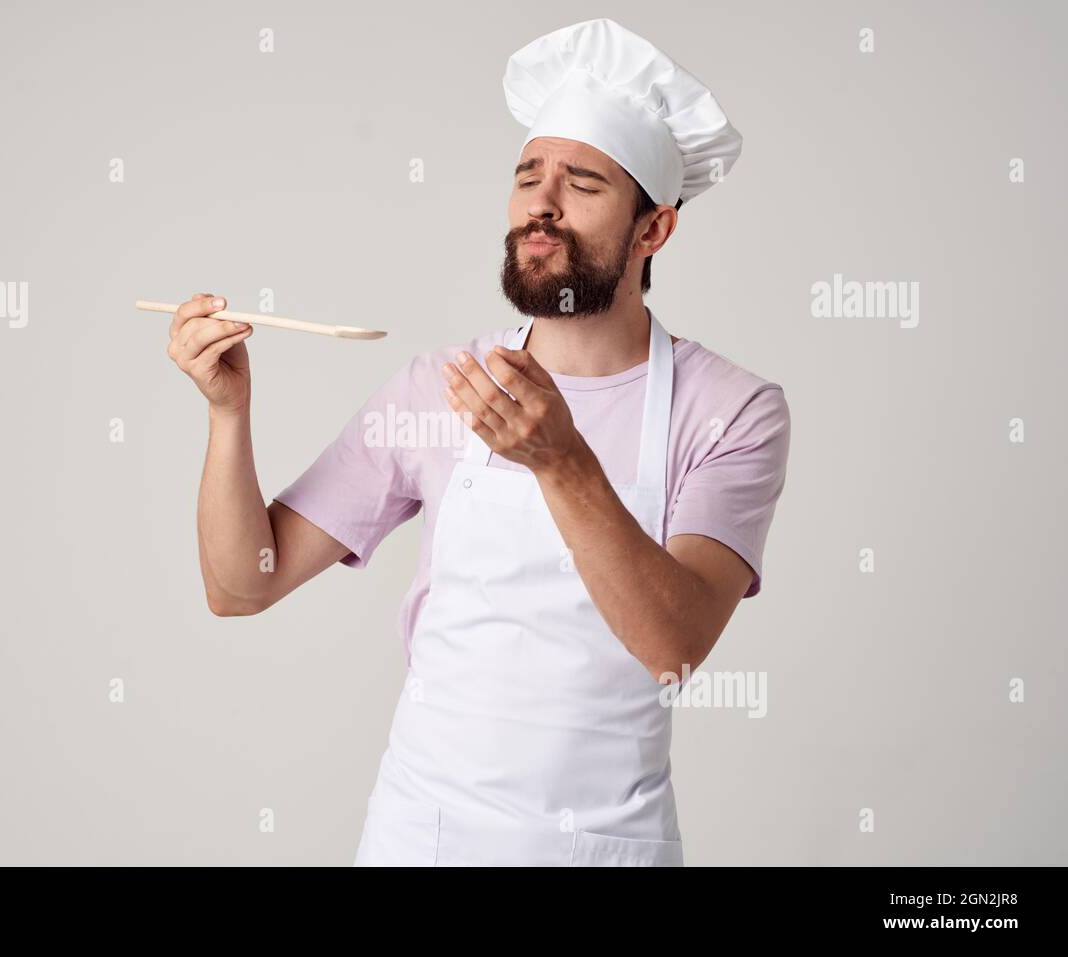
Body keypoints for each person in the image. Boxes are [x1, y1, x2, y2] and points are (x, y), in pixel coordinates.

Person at [166, 18, 790, 866]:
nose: (542, 202)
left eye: (583, 184)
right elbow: (242, 585)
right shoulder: (441, 387)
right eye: (528, 176)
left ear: (653, 231)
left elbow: (672, 642)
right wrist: (229, 413)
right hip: (423, 842)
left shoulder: (731, 410)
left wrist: (562, 460)